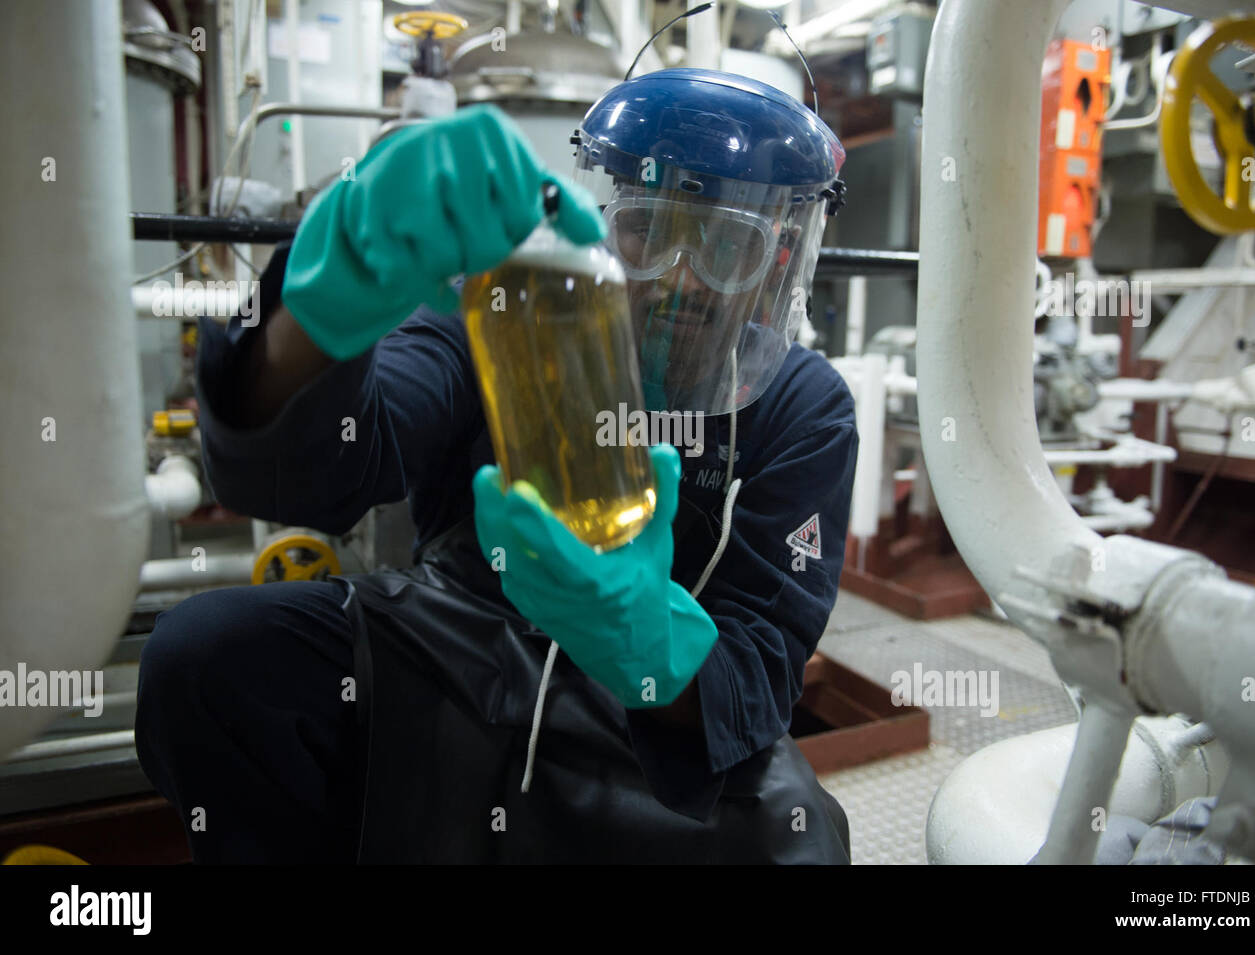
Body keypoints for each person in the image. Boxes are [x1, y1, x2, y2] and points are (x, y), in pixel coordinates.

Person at [135, 68, 859, 864]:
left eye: (726, 243)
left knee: (803, 838)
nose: (682, 276)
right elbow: (323, 467)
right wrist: (321, 311)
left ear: (778, 254)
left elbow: (761, 669)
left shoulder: (805, 406)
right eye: (651, 227)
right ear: (610, 218)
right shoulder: (519, 319)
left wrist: (650, 643)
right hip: (458, 644)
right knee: (203, 659)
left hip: (655, 717)